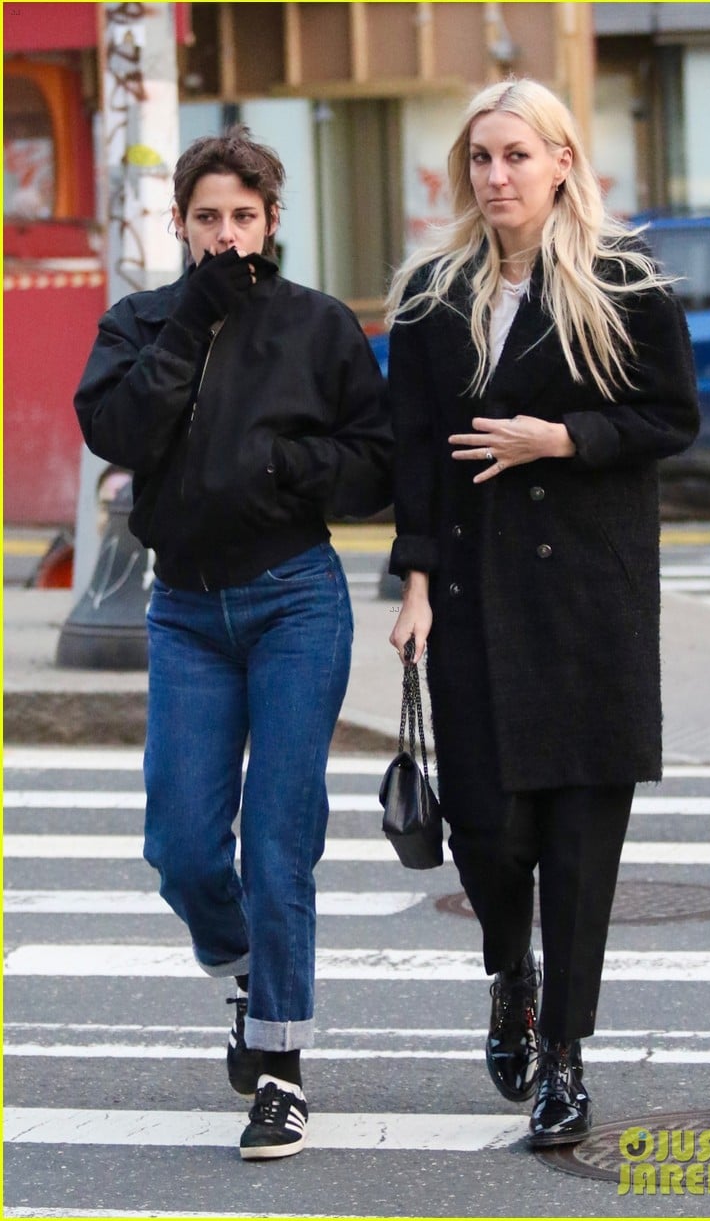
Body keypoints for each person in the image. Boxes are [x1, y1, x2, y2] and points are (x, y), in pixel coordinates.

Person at [386, 78, 699, 1148]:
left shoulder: (625, 281)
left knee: (577, 842)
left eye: (516, 155)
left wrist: (561, 439)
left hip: (588, 601)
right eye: (480, 157)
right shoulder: (433, 295)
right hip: (471, 592)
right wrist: (413, 582)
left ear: (562, 162)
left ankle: (563, 1054)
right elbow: (417, 453)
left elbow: (671, 416)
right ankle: (507, 972)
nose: (496, 176)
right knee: (486, 826)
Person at [74, 126, 392, 1160]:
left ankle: (281, 1067)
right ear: (179, 223)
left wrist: (285, 470)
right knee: (179, 844)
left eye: (243, 217)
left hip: (295, 600)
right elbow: (120, 433)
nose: (225, 234)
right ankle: (248, 972)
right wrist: (192, 322)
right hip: (184, 611)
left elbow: (376, 463)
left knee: (278, 839)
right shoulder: (140, 323)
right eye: (206, 216)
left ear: (271, 221)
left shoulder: (317, 324)